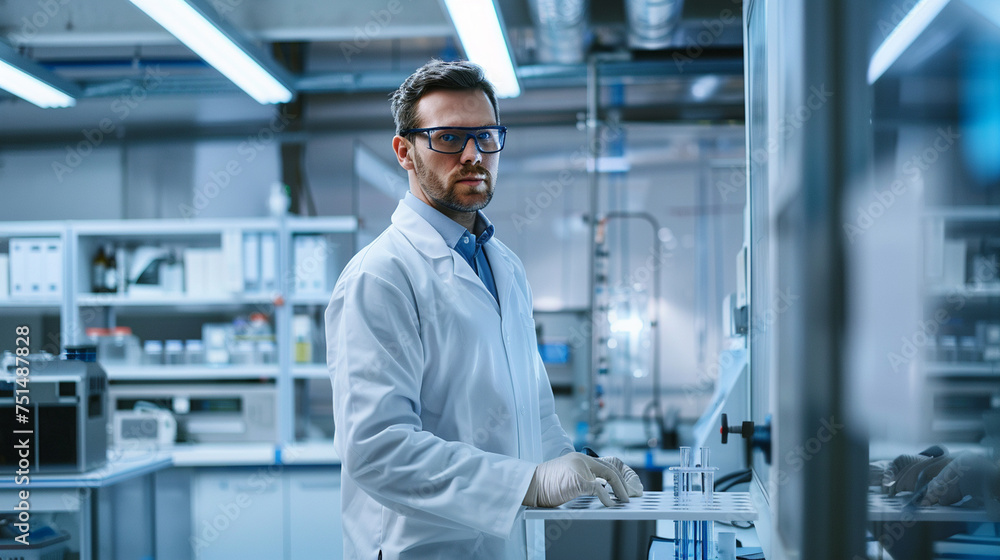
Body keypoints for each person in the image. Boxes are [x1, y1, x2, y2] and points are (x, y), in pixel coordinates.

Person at [326, 59, 643, 559]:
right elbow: (377, 449)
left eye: (487, 136)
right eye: (449, 138)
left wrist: (574, 466)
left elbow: (533, 411)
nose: (473, 154)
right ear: (405, 152)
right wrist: (527, 484)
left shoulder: (505, 265)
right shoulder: (380, 275)